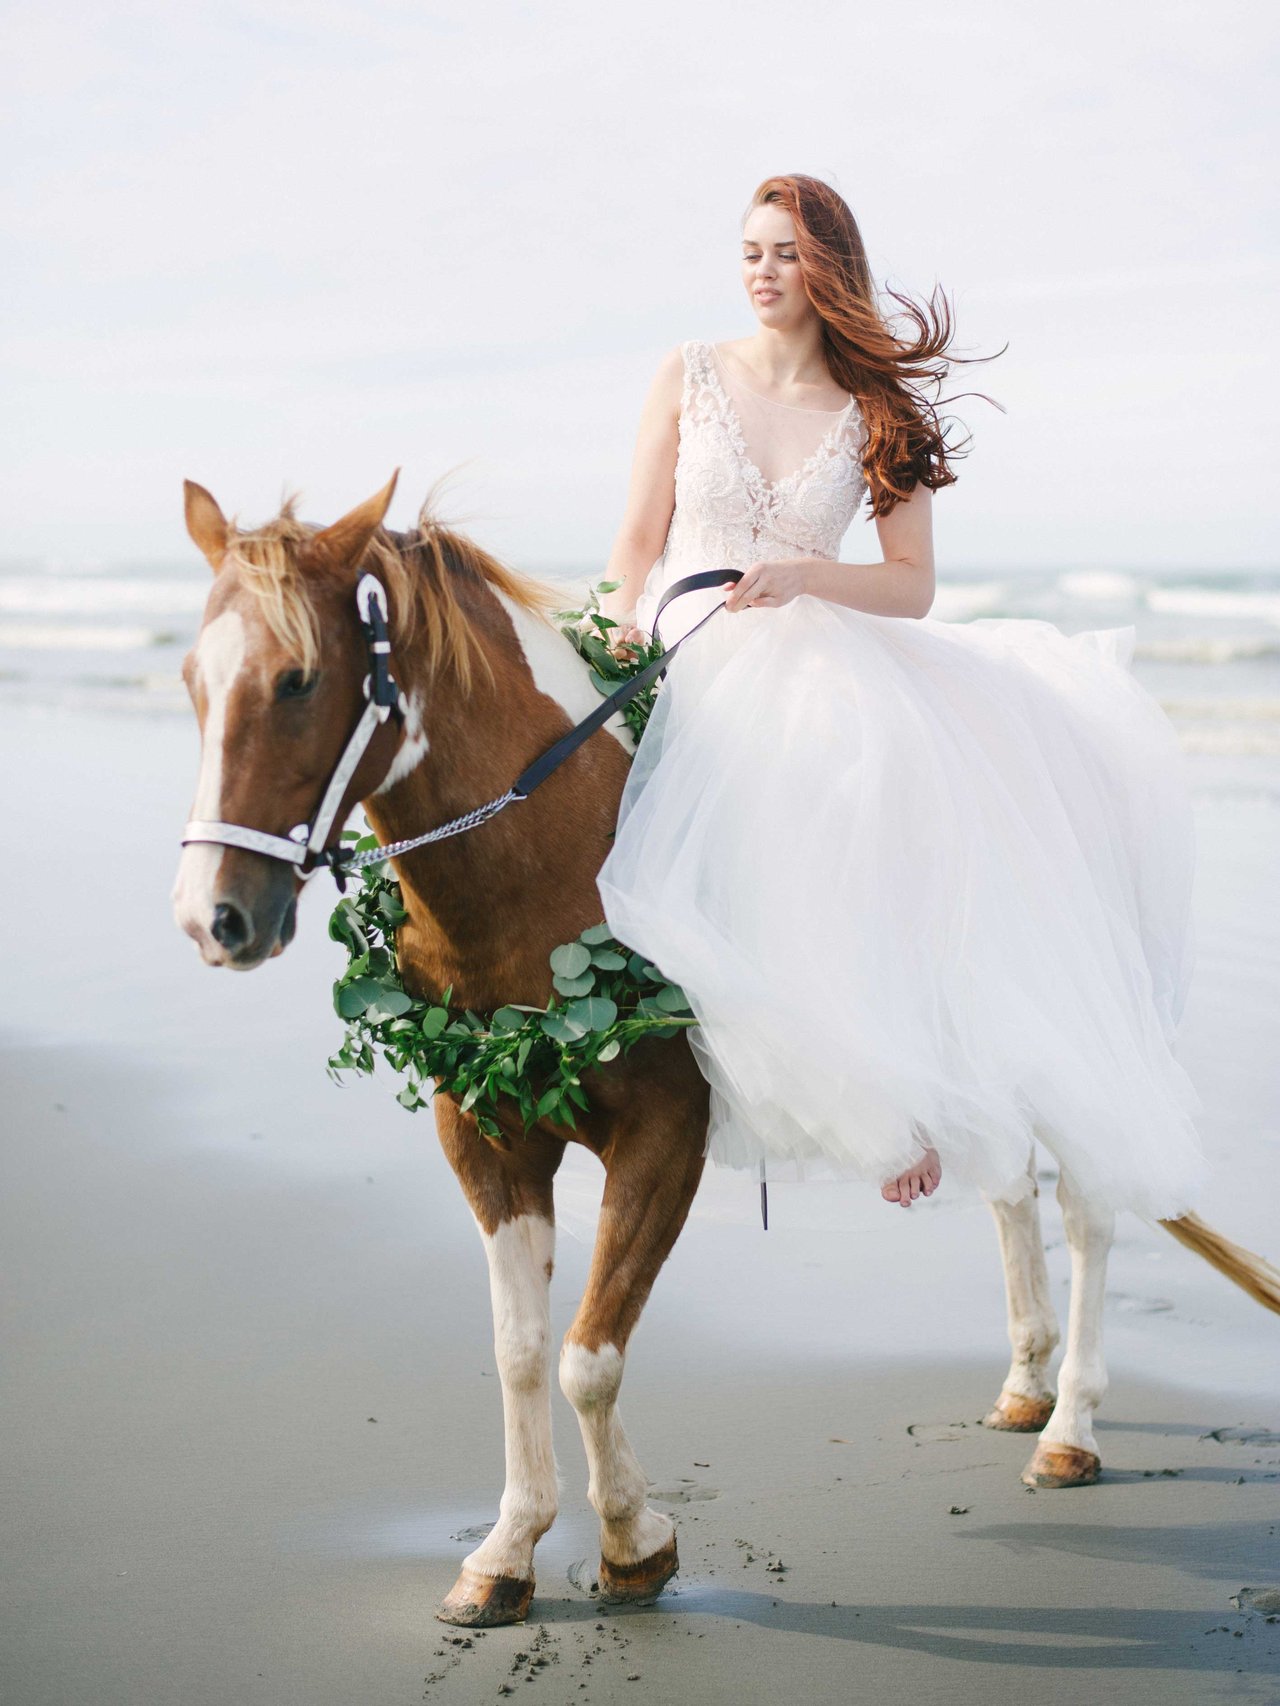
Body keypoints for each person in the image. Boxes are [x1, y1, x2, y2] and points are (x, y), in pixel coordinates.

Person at [593, 173, 1206, 1221]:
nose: (762, 273)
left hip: (804, 643)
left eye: (784, 253)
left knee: (849, 766)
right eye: (749, 251)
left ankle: (890, 1103)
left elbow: (910, 586)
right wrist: (614, 624)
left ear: (827, 265)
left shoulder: (875, 410)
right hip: (677, 637)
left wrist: (803, 575)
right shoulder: (686, 373)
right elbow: (636, 541)